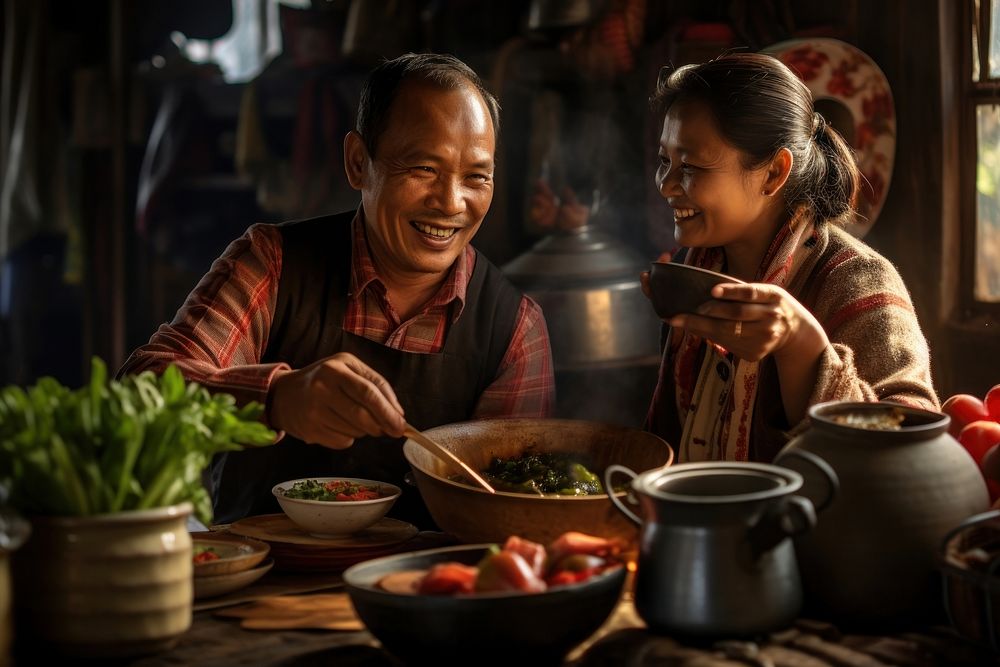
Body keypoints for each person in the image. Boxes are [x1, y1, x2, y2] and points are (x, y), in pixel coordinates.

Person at [119, 53, 555, 527]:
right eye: (423, 169)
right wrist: (276, 399)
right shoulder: (273, 263)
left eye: (476, 177)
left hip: (420, 590)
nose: (451, 203)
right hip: (257, 585)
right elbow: (138, 395)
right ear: (357, 164)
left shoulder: (514, 328)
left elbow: (509, 508)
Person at [642, 52, 938, 463]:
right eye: (664, 161)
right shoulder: (696, 270)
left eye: (690, 165)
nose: (666, 185)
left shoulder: (857, 281)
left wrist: (799, 343)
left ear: (774, 173)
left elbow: (916, 448)